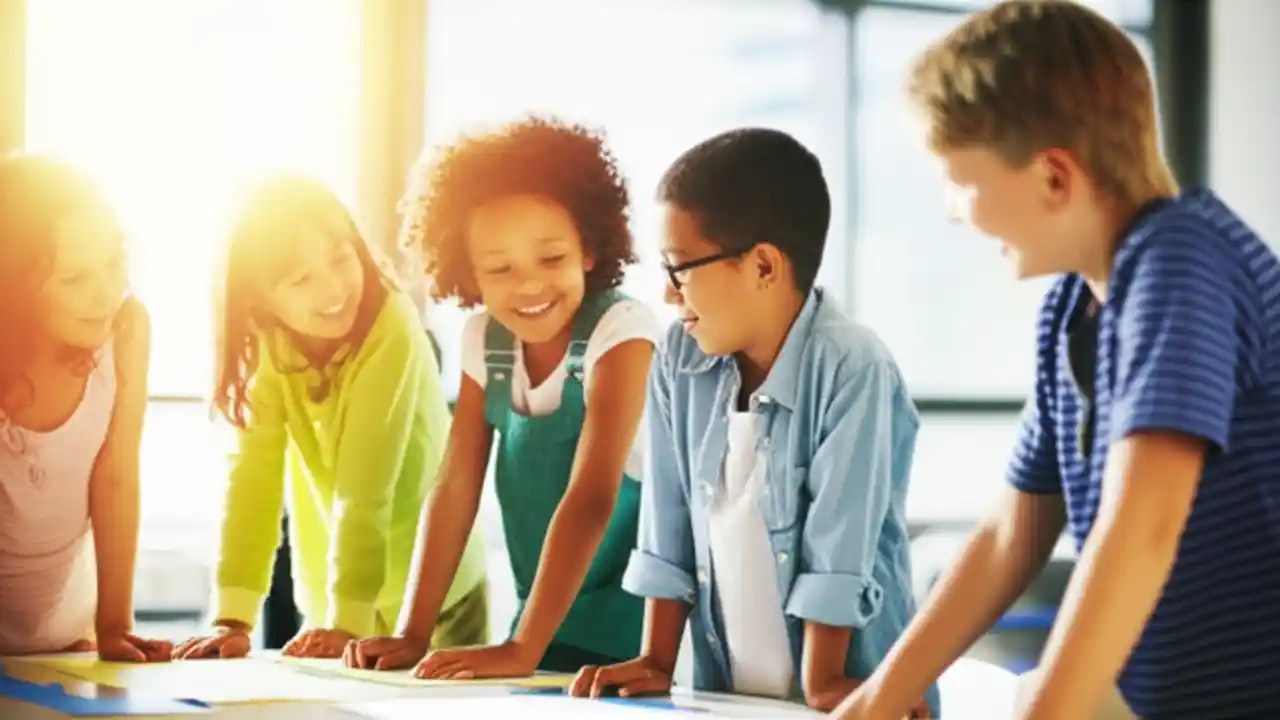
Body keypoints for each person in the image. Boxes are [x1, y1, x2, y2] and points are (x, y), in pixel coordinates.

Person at [832, 2, 1280, 718]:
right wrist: (885, 693)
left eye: (958, 179)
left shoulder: (1180, 262)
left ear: (1053, 178)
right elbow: (1014, 533)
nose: (952, 210)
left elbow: (1145, 522)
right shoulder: (1072, 309)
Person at [570, 128, 935, 716]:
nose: (667, 294)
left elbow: (839, 545)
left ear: (763, 265)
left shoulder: (852, 365)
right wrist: (657, 660)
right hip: (733, 697)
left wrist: (824, 682)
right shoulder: (679, 357)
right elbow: (667, 522)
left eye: (680, 269)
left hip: (852, 694)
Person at [347, 117, 658, 677]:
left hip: (633, 643)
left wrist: (521, 650)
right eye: (500, 268)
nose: (531, 285)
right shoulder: (482, 341)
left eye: (552, 259)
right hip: (543, 632)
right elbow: (455, 486)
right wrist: (414, 632)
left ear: (588, 249)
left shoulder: (622, 331)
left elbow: (591, 497)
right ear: (470, 272)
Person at [172, 177, 486, 660]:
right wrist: (233, 617)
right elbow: (253, 480)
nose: (336, 288)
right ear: (258, 299)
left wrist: (347, 623)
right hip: (335, 594)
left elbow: (366, 489)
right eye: (302, 279)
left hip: (434, 593)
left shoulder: (391, 329)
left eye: (342, 258)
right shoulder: (270, 347)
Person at [0, 154, 170, 662]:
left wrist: (114, 623)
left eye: (113, 263)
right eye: (74, 277)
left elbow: (117, 477)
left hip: (68, 629)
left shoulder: (126, 331)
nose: (104, 292)